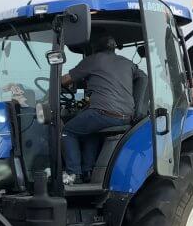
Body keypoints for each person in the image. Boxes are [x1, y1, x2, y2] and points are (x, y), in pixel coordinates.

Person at [61, 32, 145, 184]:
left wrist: (55, 82)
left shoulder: (93, 60)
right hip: (126, 116)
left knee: (68, 131)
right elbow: (143, 77)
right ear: (114, 49)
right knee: (90, 131)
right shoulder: (127, 63)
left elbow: (67, 80)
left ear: (95, 48)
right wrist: (137, 107)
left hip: (103, 114)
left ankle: (72, 174)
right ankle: (88, 172)